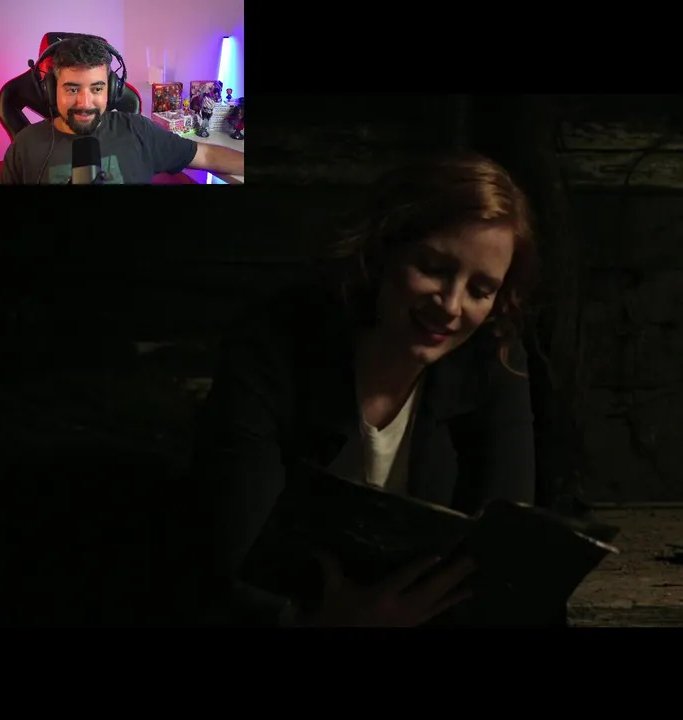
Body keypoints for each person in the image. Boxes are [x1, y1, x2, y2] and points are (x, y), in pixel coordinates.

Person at [176, 152, 539, 627]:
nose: (452, 306)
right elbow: (230, 564)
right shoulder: (275, 344)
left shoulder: (493, 359)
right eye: (434, 268)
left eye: (481, 290)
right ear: (383, 249)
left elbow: (506, 553)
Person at [0, 35, 244, 184]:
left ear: (113, 90)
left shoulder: (139, 131)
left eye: (97, 88)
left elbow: (206, 156)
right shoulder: (24, 146)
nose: (85, 103)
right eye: (72, 89)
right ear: (51, 90)